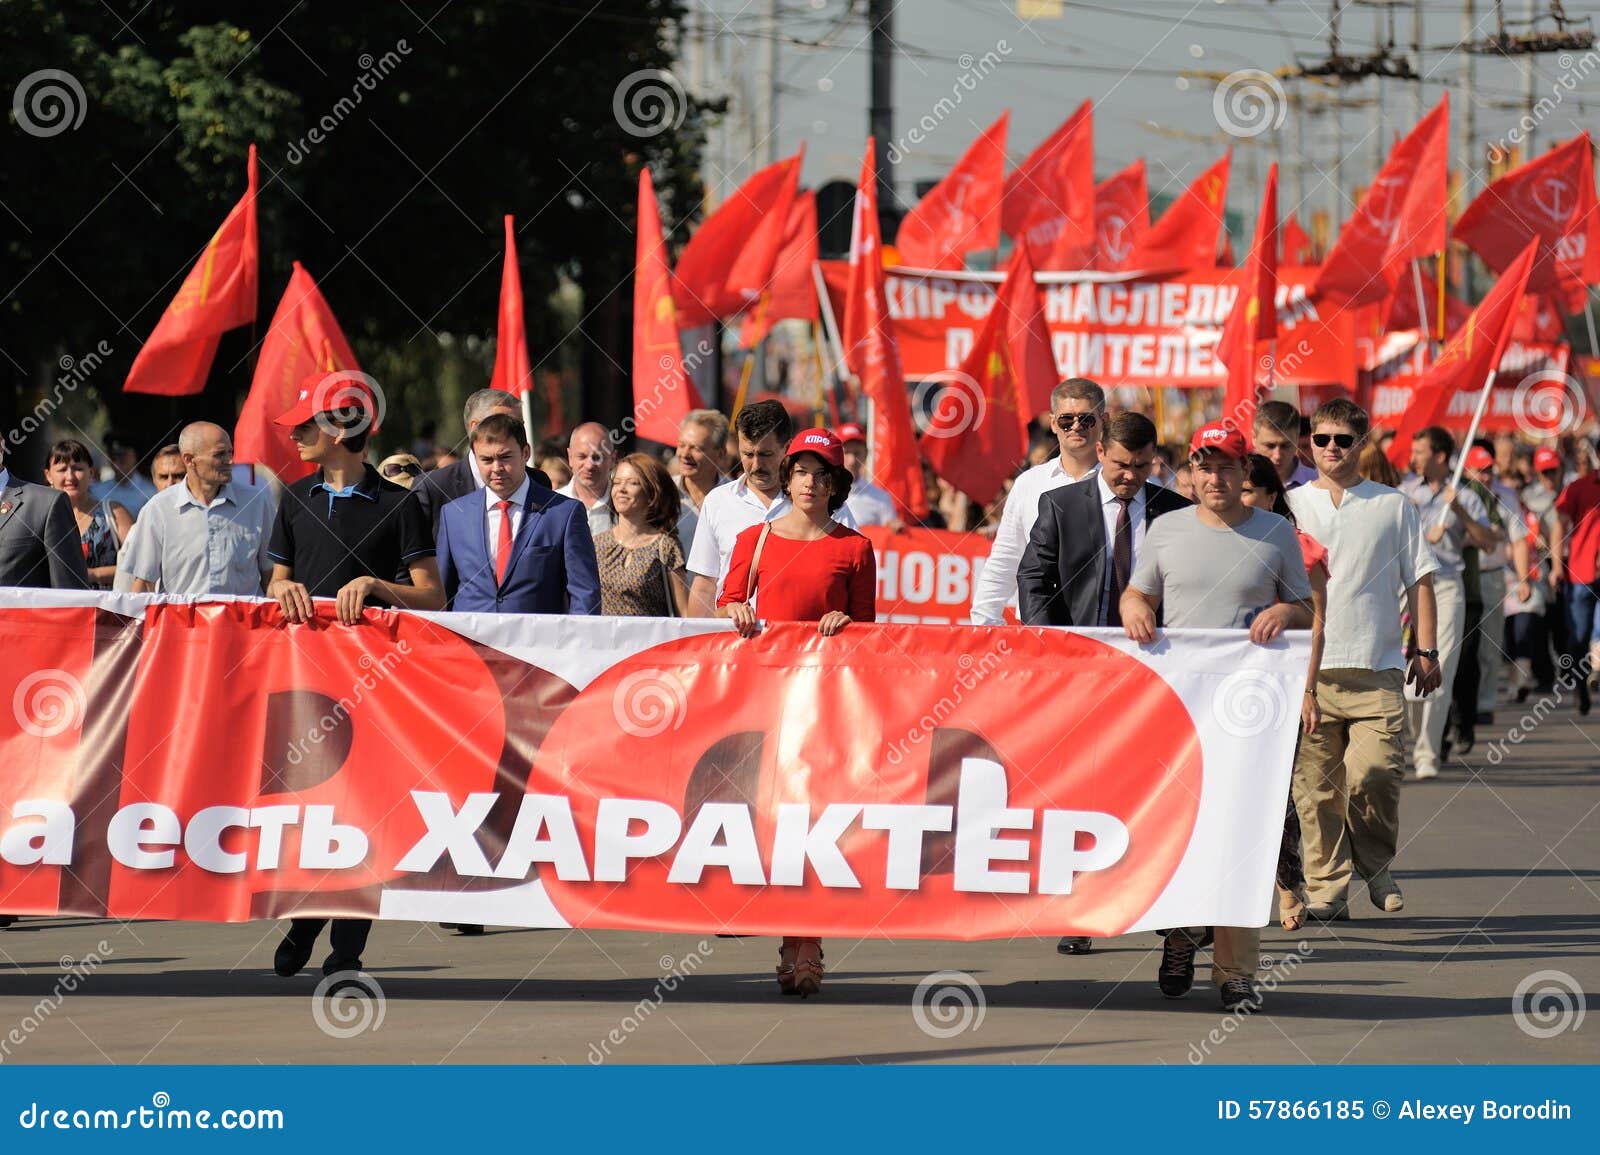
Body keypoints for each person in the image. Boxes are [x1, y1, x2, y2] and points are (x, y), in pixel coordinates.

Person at [1121, 421, 1313, 1012]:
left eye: (1225, 466)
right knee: (1182, 830)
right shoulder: (1166, 528)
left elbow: (1306, 608)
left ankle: (1234, 971)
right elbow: (1139, 592)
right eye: (1203, 467)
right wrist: (1134, 609)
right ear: (1193, 473)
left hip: (1251, 710)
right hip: (1179, 709)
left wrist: (1284, 609)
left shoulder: (1277, 531)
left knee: (1241, 837)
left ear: (1243, 471)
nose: (1214, 478)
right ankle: (1180, 937)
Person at [264, 378, 445, 981]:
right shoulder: (291, 498)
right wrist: (281, 587)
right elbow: (275, 583)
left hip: (379, 684)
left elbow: (433, 595)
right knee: (317, 810)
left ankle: (346, 947)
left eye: (306, 424)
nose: (294, 433)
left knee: (366, 814)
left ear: (340, 432)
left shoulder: (399, 504)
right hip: (307, 680)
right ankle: (305, 921)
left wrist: (374, 588)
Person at [1017, 410, 1189, 954]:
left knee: (1152, 788)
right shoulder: (1061, 505)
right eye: (1119, 464)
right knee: (1085, 791)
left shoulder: (1176, 512)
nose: (1128, 476)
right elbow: (1033, 577)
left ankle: (1161, 900)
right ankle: (1083, 910)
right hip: (1082, 671)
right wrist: (1053, 647)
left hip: (1154, 672)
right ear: (1101, 451)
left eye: (1141, 467)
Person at [717, 428, 876, 998]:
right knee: (770, 819)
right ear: (787, 479)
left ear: (836, 485)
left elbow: (867, 628)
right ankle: (788, 935)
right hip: (763, 697)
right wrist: (736, 609)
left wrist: (847, 626)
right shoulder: (753, 540)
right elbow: (727, 601)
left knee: (811, 819)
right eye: (802, 472)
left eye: (822, 473)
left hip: (825, 701)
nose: (811, 482)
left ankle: (804, 942)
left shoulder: (854, 548)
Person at [1288, 400, 1441, 921]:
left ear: (1361, 443)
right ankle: (1327, 886)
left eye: (1342, 439)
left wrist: (1426, 650)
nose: (1331, 448)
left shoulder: (1393, 505)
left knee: (1375, 775)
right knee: (1316, 789)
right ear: (1309, 442)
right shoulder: (1288, 506)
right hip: (1308, 672)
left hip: (1377, 667)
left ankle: (1375, 866)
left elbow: (1421, 580)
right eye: (1322, 438)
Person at [1241, 453, 1327, 933]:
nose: (1241, 498)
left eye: (1251, 490)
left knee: (1274, 791)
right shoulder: (1213, 539)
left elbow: (1316, 626)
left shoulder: (1300, 547)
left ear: (1272, 496)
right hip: (1224, 687)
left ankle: (1288, 883)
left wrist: (1308, 690)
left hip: (1281, 686)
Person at [685, 400, 857, 617]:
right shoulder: (718, 501)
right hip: (734, 644)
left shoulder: (823, 500)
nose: (756, 465)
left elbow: (855, 576)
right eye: (747, 454)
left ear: (787, 448)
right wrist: (697, 643)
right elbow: (704, 585)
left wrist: (844, 619)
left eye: (765, 455)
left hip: (808, 645)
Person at [1401, 427, 1496, 780]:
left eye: (1420, 450)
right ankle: (1416, 735)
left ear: (1440, 456)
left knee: (1442, 666)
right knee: (1408, 670)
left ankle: (1427, 753)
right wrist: (1419, 532)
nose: (1414, 457)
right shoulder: (1404, 493)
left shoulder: (1466, 497)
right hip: (1408, 586)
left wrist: (1459, 511)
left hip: (1446, 587)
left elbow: (1488, 543)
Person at [970, 378, 1105, 625]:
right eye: (1066, 420)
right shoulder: (1029, 484)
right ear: (1053, 424)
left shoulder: (1123, 484)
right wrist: (985, 624)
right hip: (1040, 630)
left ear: (1103, 421)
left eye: (1086, 419)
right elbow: (1006, 559)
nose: (1076, 426)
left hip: (1108, 632)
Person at [436, 414, 601, 616]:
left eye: (505, 457)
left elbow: (585, 594)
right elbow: (441, 595)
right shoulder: (453, 515)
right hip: (470, 643)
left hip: (537, 644)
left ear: (525, 452)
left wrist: (578, 644)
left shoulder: (563, 513)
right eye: (486, 460)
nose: (496, 468)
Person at [121, 423, 276, 596]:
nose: (230, 460)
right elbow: (143, 584)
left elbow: (271, 577)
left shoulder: (257, 501)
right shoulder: (157, 509)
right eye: (219, 454)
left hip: (244, 622)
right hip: (180, 622)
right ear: (189, 460)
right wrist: (132, 621)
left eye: (230, 452)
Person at [414, 389, 552, 531]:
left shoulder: (537, 481)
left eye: (519, 425)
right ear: (475, 427)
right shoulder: (432, 489)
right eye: (502, 423)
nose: (514, 432)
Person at [1462, 443, 1529, 731]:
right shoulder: (1458, 497)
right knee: (1461, 646)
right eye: (1480, 471)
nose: (1485, 477)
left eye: (1489, 471)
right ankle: (1459, 702)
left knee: (1489, 644)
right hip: (1461, 575)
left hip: (1491, 575)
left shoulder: (1506, 497)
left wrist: (1524, 578)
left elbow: (1519, 539)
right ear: (1468, 470)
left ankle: (1485, 703)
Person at [595, 453, 687, 617]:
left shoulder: (666, 547)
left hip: (653, 642)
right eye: (616, 483)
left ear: (651, 492)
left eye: (633, 483)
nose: (621, 489)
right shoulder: (596, 544)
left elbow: (685, 615)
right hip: (604, 641)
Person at [45, 439, 133, 589]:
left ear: (91, 472)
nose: (70, 477)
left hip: (105, 610)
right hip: (54, 609)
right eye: (61, 470)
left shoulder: (113, 513)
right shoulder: (39, 516)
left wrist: (93, 574)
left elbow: (139, 563)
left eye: (77, 468)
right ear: (48, 475)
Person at [1553, 442, 1600, 701]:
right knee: (1578, 635)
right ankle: (1580, 682)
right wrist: (1557, 566)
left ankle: (1595, 671)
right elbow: (1559, 526)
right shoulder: (1578, 488)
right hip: (1582, 572)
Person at [674, 409, 731, 557]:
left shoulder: (737, 498)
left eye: (696, 448)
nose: (685, 454)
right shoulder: (661, 493)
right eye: (681, 445)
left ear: (720, 454)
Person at [558, 422, 616, 536]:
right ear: (570, 457)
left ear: (612, 458)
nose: (589, 465)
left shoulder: (626, 506)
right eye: (582, 457)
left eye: (597, 457)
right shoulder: (553, 505)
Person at [836, 422, 899, 528]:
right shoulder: (821, 495)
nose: (852, 461)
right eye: (846, 452)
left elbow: (889, 539)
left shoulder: (881, 498)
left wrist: (893, 528)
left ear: (866, 454)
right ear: (835, 455)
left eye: (857, 453)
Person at [1253, 400, 1317, 488]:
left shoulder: (1319, 483)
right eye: (1270, 446)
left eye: (1285, 446)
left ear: (1296, 439)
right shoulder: (1237, 485)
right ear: (1254, 438)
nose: (1277, 456)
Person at [92, 434, 158, 517]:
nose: (117, 460)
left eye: (122, 455)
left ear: (135, 456)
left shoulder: (150, 492)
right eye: (113, 456)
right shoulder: (97, 491)